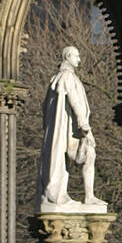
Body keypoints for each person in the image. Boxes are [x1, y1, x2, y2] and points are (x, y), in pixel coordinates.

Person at [36, 46, 106, 212]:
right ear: (68, 56)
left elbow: (45, 108)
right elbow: (74, 100)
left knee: (88, 154)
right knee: (89, 153)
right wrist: (83, 124)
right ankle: (79, 195)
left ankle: (89, 196)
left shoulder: (60, 78)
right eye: (76, 56)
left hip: (69, 127)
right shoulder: (67, 76)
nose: (79, 60)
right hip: (70, 128)